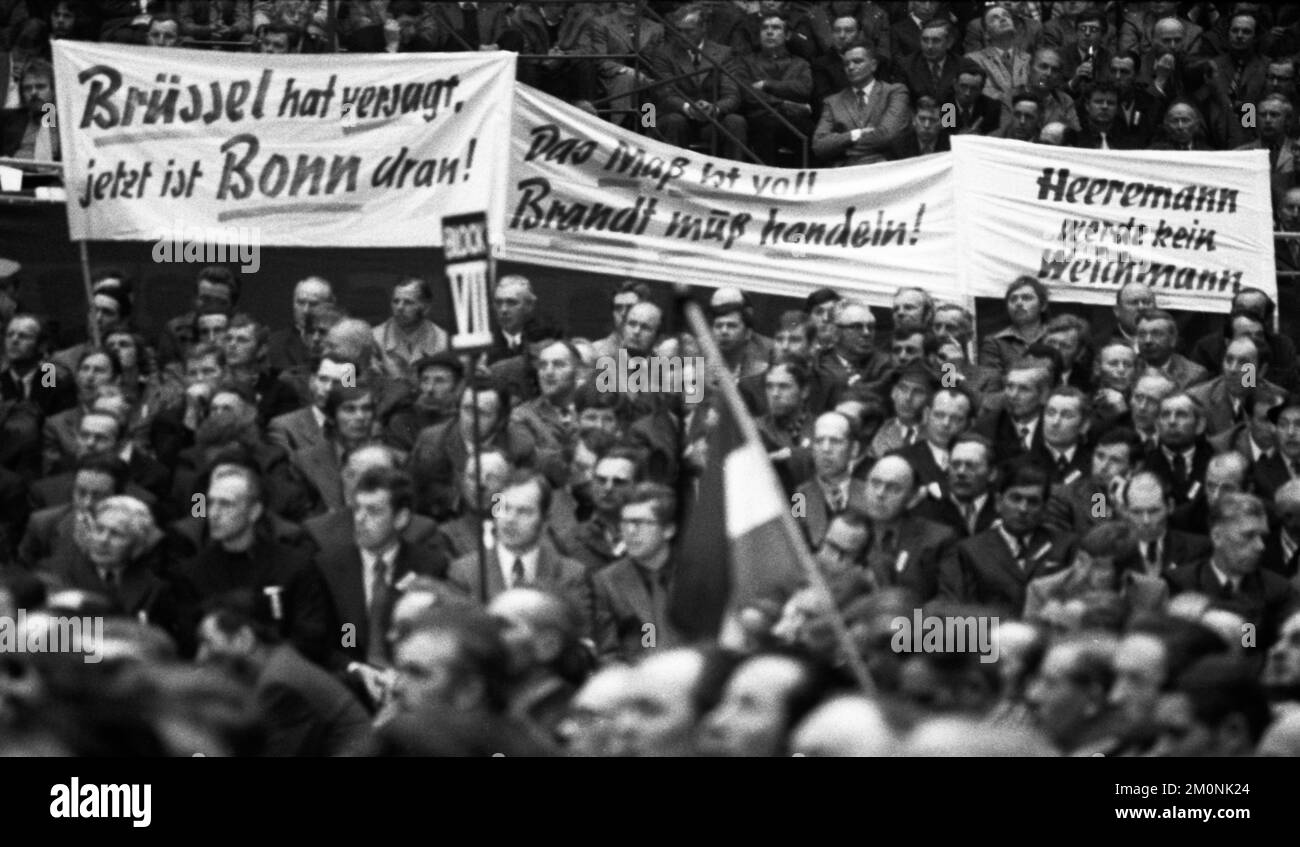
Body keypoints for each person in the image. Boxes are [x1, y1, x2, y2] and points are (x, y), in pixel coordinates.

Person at [196, 590, 373, 756]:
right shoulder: (278, 657)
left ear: (243, 638)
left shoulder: (276, 682)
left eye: (208, 643)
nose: (201, 657)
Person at [941, 459, 1077, 616]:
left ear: (1044, 508)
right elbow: (961, 608)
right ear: (999, 502)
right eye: (1016, 499)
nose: (1023, 509)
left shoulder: (1065, 546)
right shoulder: (970, 550)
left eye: (1032, 502)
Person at [647, 4, 748, 160]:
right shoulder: (663, 54)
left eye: (689, 31)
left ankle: (733, 177)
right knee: (675, 121)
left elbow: (732, 94)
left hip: (711, 119)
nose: (681, 35)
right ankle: (672, 177)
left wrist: (714, 108)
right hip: (676, 116)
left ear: (704, 28)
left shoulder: (724, 53)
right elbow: (665, 93)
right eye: (678, 30)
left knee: (736, 121)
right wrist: (689, 108)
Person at [812, 40, 911, 166]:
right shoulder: (832, 102)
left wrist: (845, 149)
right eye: (846, 63)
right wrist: (854, 134)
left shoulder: (894, 92)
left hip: (887, 171)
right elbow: (819, 145)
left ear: (873, 65)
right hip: (847, 176)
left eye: (857, 61)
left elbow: (887, 135)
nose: (851, 67)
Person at [371, 277, 449, 384]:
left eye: (408, 302)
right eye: (396, 301)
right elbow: (348, 384)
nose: (399, 307)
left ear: (426, 308)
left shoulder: (443, 342)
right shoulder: (373, 338)